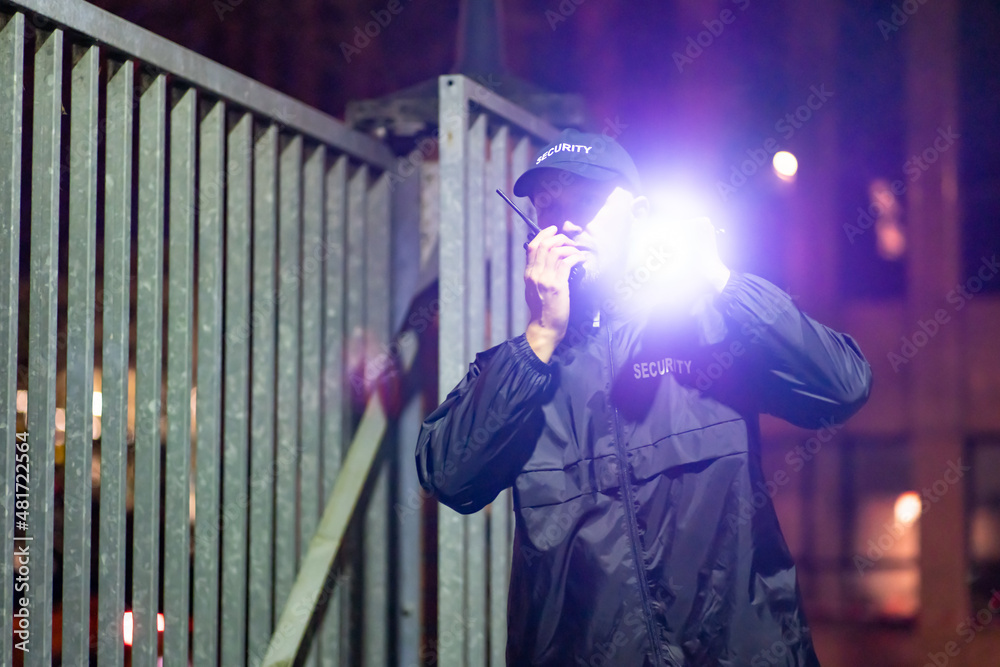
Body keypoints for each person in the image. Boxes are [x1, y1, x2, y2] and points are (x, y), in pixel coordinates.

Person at [415, 128, 872, 666]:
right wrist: (540, 336)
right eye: (546, 204)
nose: (563, 219)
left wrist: (721, 279)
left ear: (640, 213)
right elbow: (450, 478)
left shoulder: (710, 325)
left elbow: (842, 387)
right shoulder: (522, 369)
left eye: (584, 198)